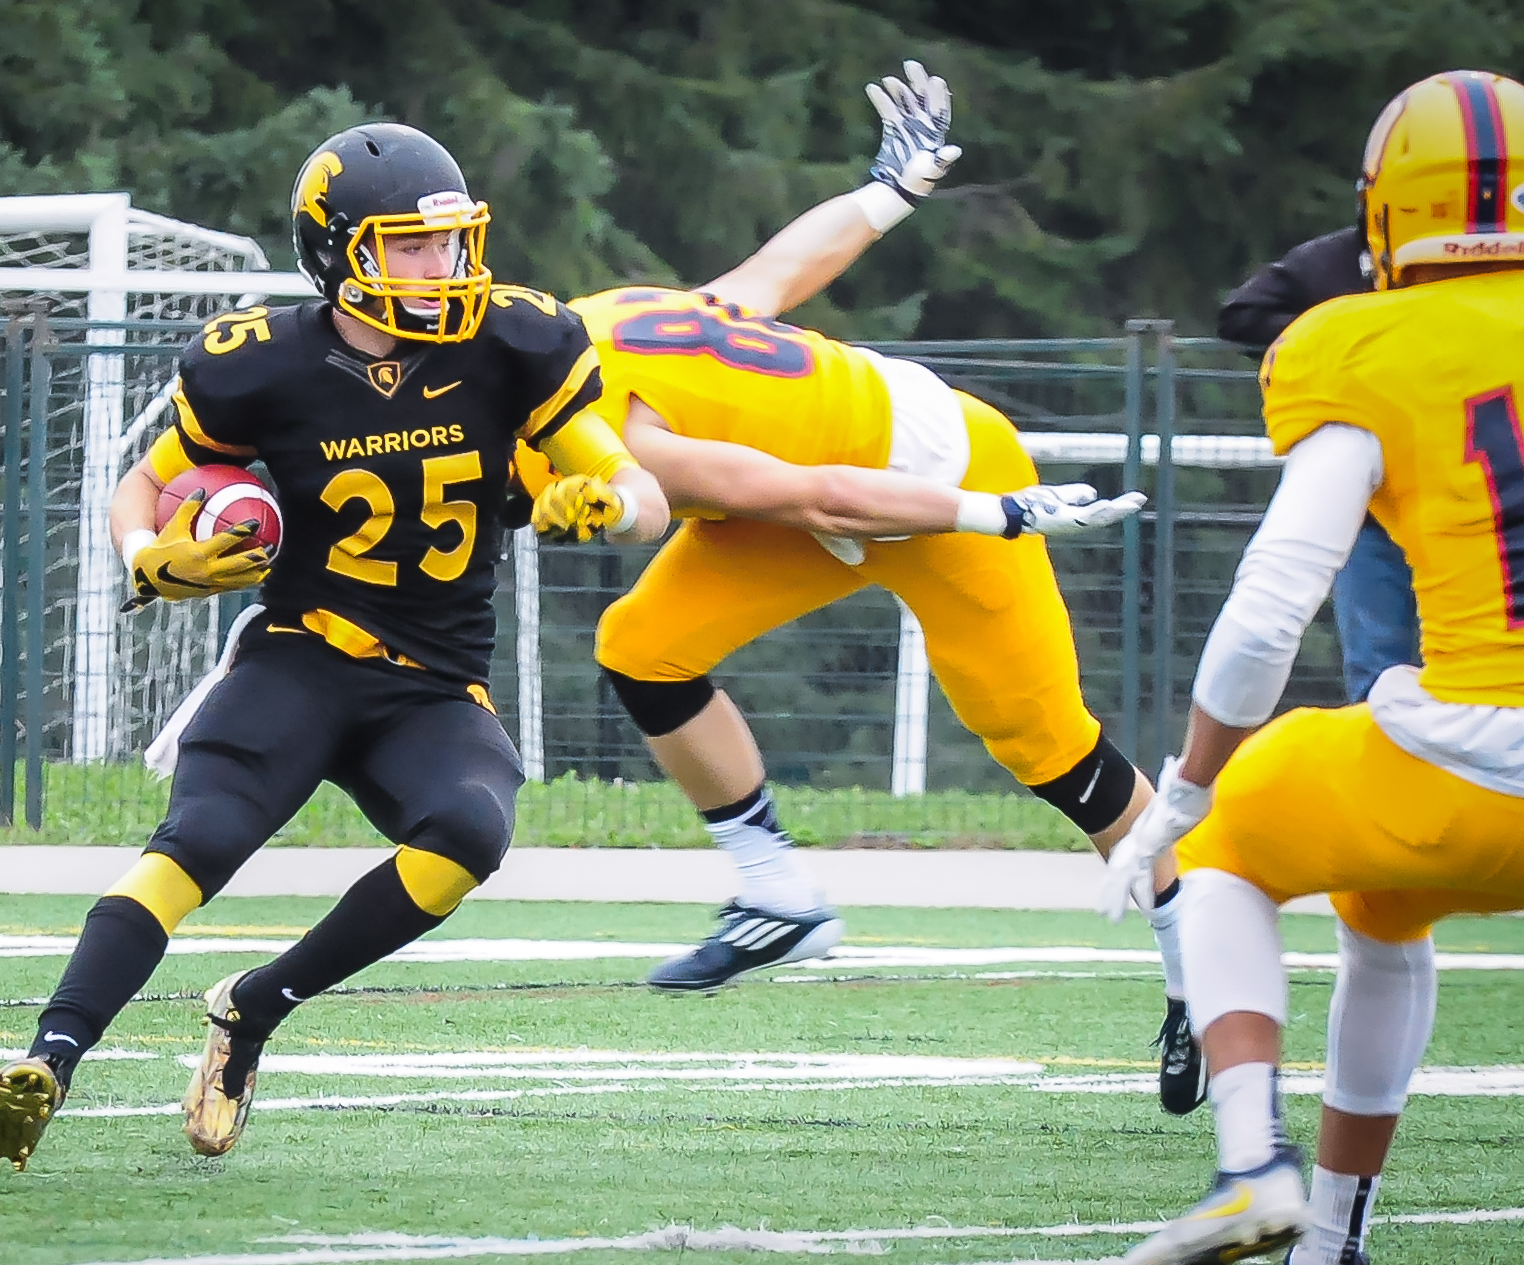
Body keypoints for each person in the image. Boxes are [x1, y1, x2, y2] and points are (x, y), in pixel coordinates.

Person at [0, 122, 675, 1169]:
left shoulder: (514, 342)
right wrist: (146, 556)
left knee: (468, 836)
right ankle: (49, 1056)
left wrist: (605, 502)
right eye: (411, 245)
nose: (442, 268)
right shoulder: (258, 363)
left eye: (451, 243)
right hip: (302, 652)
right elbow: (144, 485)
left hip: (435, 680)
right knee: (195, 842)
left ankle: (252, 1009)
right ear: (339, 251)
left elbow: (648, 495)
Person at [517, 63, 1206, 1115]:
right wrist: (888, 190)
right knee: (641, 644)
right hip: (814, 488)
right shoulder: (589, 327)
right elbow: (767, 278)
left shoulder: (600, 412)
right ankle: (777, 893)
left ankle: (1200, 974)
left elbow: (814, 497)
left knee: (1048, 744)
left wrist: (995, 510)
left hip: (936, 472)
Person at [1100, 69, 1524, 1265]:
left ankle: (1255, 1170)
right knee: (1381, 912)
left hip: (1470, 768)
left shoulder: (1361, 343)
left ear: (1387, 206)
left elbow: (1268, 608)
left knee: (1232, 841)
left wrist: (1180, 794)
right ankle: (1330, 1240)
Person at [1220, 227, 1422, 703]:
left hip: (1478, 507)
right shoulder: (1339, 258)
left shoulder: (1485, 263)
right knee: (1378, 671)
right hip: (1372, 504)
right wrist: (1343, 340)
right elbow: (1240, 316)